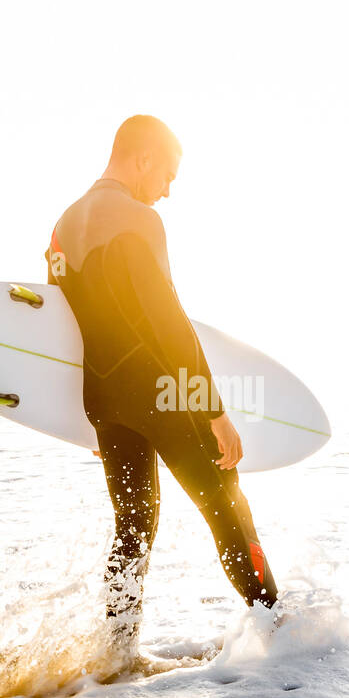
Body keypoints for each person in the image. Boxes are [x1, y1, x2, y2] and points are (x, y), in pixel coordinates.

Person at [45, 115, 278, 655]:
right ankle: (277, 631)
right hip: (161, 394)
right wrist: (214, 409)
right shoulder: (138, 219)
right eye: (167, 174)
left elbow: (60, 322)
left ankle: (115, 654)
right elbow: (168, 321)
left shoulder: (63, 224)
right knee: (227, 506)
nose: (167, 191)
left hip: (102, 399)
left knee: (133, 527)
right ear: (142, 158)